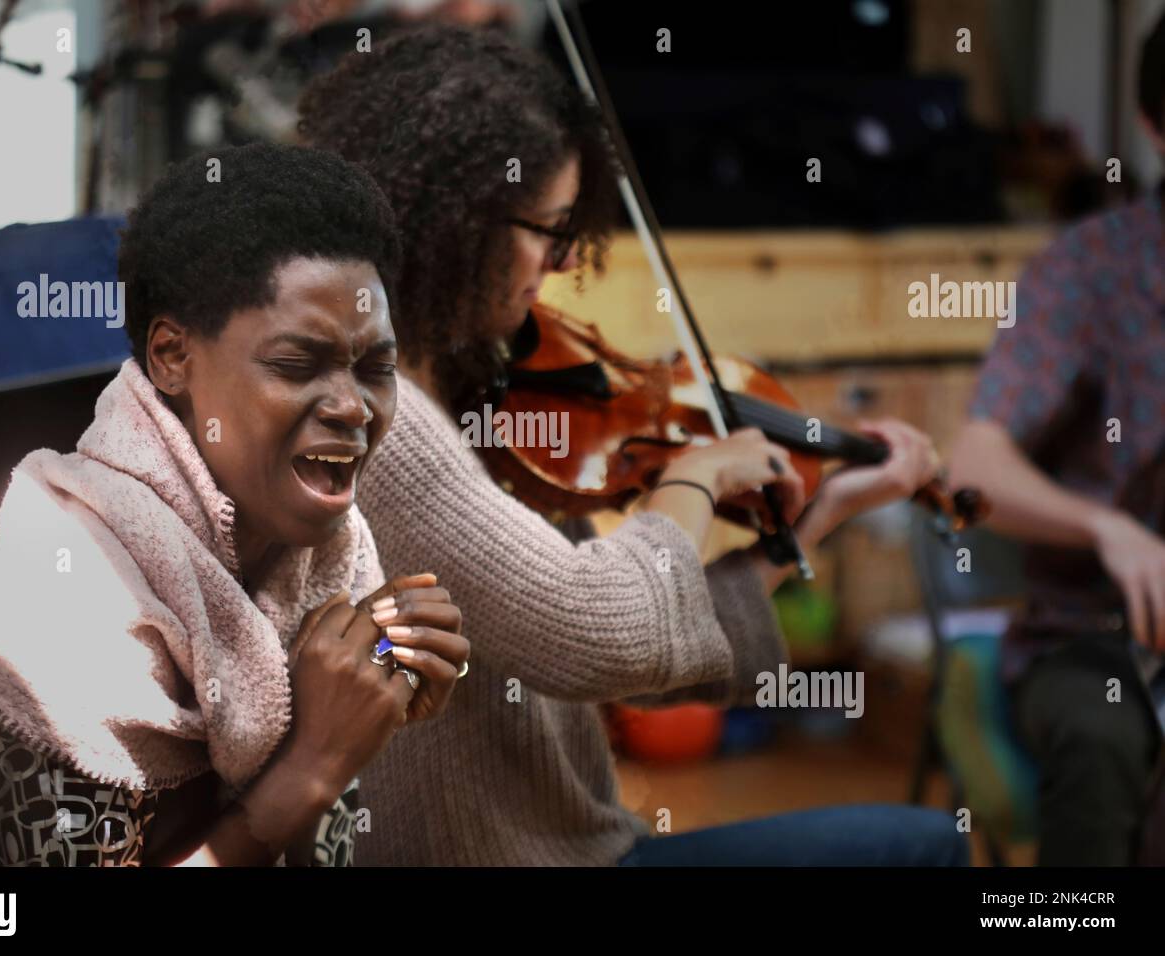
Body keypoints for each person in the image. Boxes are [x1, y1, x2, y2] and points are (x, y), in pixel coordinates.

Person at [299, 24, 966, 866]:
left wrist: (827, 508)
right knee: (921, 849)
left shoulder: (470, 385)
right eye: (545, 227)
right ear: (453, 222)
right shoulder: (384, 420)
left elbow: (645, 655)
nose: (562, 259)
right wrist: (690, 482)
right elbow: (598, 632)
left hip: (580, 849)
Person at [0, 143, 469, 867]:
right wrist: (310, 766)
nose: (352, 407)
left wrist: (363, 715)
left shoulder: (318, 570)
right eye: (294, 364)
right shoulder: (61, 627)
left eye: (376, 369)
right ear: (171, 357)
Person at [947, 17, 1165, 868]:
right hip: (1091, 633)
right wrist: (1109, 528)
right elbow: (974, 466)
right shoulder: (1088, 269)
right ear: (1154, 126)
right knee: (1104, 739)